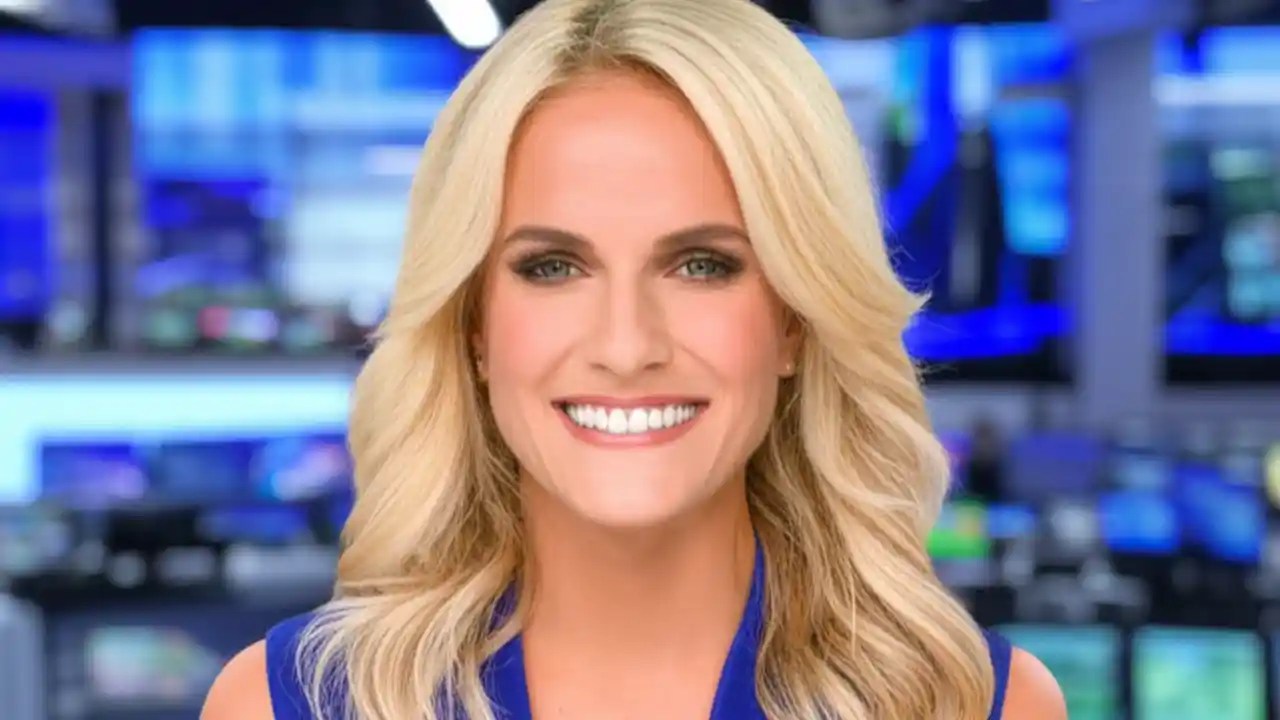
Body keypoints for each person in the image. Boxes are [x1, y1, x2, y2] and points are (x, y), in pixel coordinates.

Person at [203, 0, 1066, 717]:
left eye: (703, 266)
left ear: (795, 321)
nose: (626, 346)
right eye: (552, 267)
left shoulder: (977, 702)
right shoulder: (286, 703)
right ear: (473, 325)